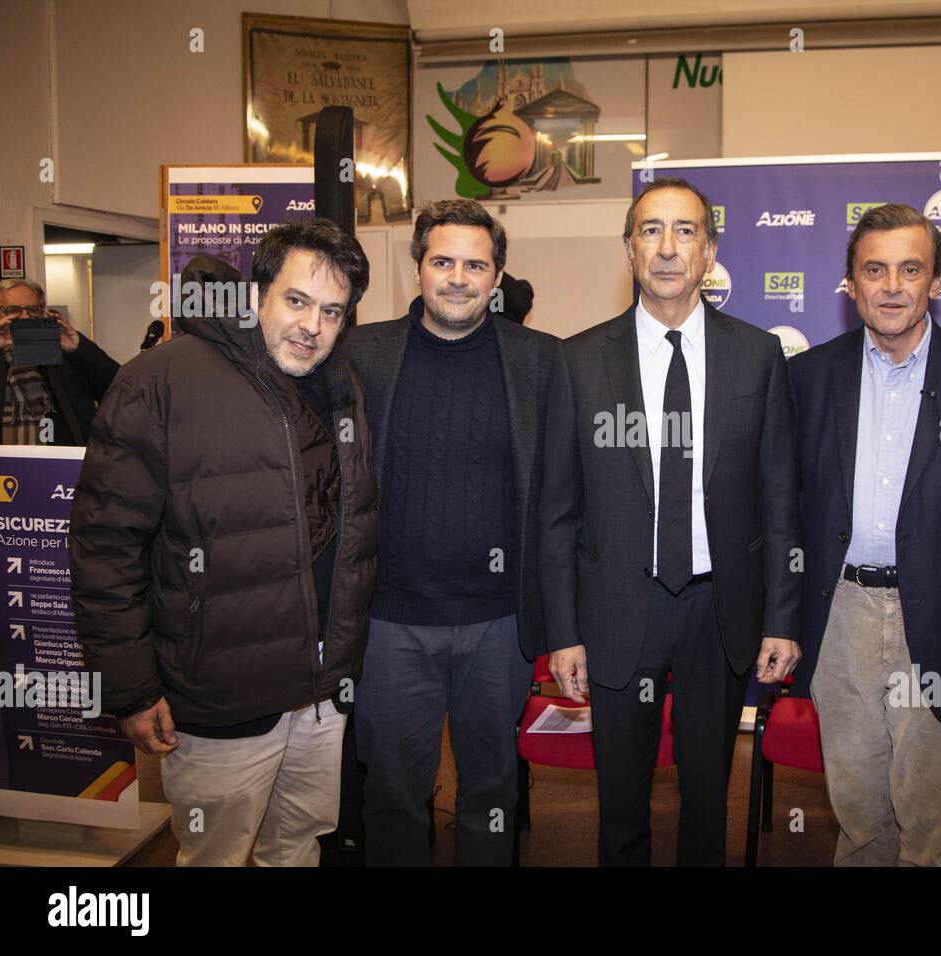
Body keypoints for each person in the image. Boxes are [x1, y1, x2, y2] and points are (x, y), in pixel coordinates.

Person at [69, 218, 377, 866]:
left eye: (331, 311)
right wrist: (129, 688)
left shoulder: (339, 386)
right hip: (219, 698)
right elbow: (106, 546)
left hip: (320, 693)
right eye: (296, 301)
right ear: (259, 290)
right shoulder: (162, 381)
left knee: (295, 848)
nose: (311, 327)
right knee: (214, 855)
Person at [540, 176, 801, 866]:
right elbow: (557, 512)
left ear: (710, 251)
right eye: (650, 231)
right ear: (628, 250)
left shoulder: (757, 355)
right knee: (621, 807)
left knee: (707, 803)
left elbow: (780, 499)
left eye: (685, 231)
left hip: (721, 610)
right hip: (620, 608)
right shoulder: (577, 361)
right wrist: (563, 633)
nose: (666, 248)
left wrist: (781, 615)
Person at [787, 202, 941, 866]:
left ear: (936, 282)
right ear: (850, 284)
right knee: (860, 824)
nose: (892, 286)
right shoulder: (806, 380)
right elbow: (784, 515)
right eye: (874, 270)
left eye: (910, 269)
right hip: (839, 621)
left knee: (932, 829)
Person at [340, 199, 564, 866]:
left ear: (497, 278)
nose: (459, 277)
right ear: (417, 269)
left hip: (499, 627)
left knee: (491, 793)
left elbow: (562, 494)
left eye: (476, 264)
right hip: (390, 625)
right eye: (443, 262)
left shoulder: (542, 362)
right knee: (393, 798)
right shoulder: (360, 355)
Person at [0, 277, 119, 445]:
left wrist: (78, 348)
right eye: (13, 310)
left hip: (65, 461)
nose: (24, 317)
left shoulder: (64, 353)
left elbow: (119, 390)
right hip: (5, 466)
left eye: (32, 310)